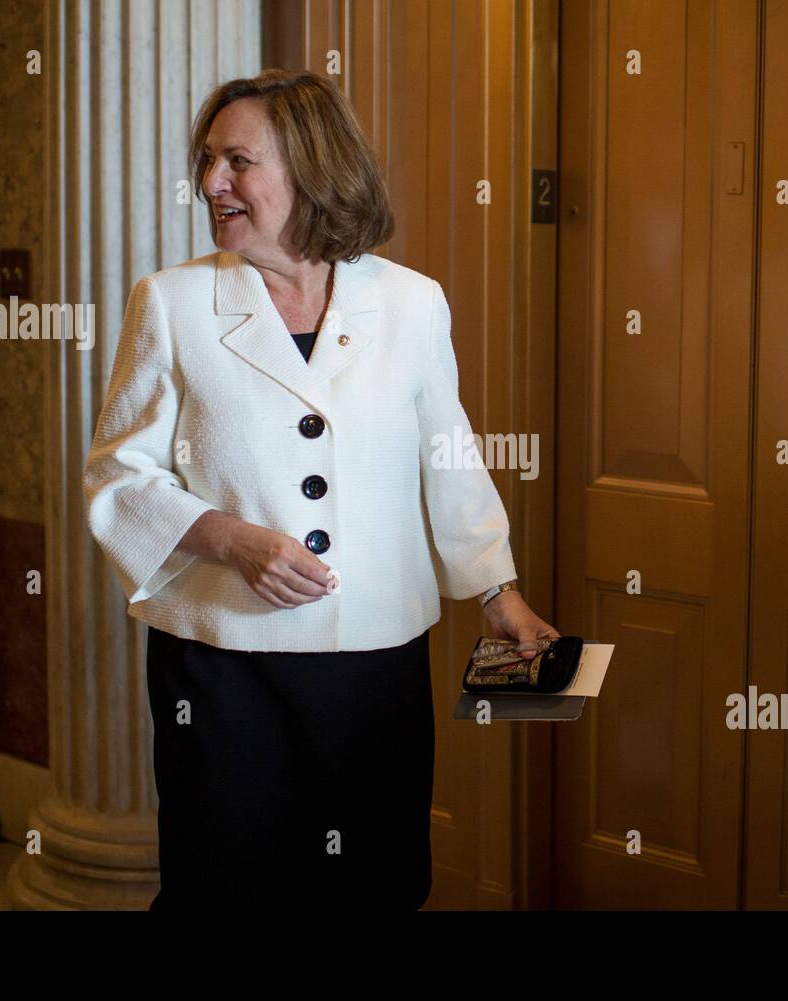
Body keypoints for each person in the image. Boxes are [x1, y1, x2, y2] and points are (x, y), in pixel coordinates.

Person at [82, 68, 558, 911]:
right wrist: (230, 538)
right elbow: (118, 472)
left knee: (369, 885)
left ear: (311, 168)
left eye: (237, 161)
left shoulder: (412, 304)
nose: (210, 183)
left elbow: (448, 454)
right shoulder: (173, 302)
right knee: (227, 887)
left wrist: (500, 592)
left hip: (375, 664)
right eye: (207, 161)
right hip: (222, 666)